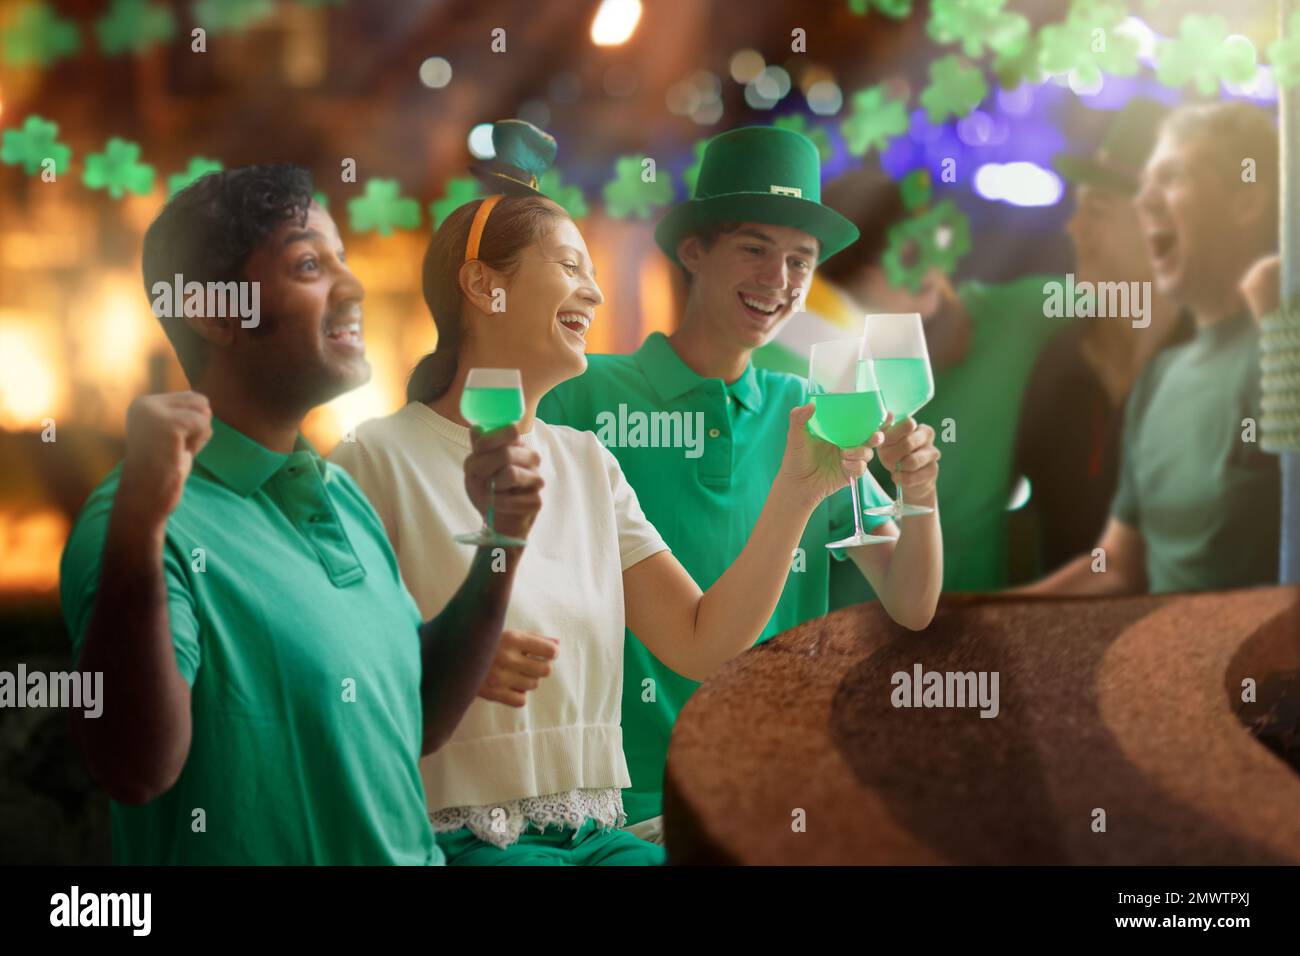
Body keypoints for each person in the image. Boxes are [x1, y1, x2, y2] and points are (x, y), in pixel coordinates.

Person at [330, 122, 900, 865]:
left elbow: (703, 643)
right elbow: (327, 669)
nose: (596, 293)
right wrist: (433, 657)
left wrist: (796, 493)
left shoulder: (588, 464)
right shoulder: (377, 457)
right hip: (452, 838)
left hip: (592, 836)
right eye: (570, 267)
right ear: (483, 286)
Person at [59, 165, 538, 864]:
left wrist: (502, 541)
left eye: (342, 260)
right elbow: (135, 769)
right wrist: (139, 528)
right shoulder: (137, 525)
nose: (353, 287)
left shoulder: (338, 494)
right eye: (310, 264)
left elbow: (418, 714)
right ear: (216, 311)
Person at [538, 126, 944, 844]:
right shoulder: (585, 395)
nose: (779, 279)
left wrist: (920, 493)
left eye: (800, 260)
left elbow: (912, 603)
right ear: (694, 250)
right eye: (754, 248)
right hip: (624, 803)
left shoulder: (814, 408)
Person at [764, 162, 1058, 605]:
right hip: (850, 619)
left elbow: (1100, 293)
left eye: (935, 244)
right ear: (845, 275)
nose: (932, 269)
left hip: (967, 616)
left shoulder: (997, 323)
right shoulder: (802, 360)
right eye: (906, 256)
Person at [1018, 102, 1281, 596]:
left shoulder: (1276, 349)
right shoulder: (1159, 375)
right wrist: (980, 619)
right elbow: (1119, 565)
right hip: (1146, 660)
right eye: (1144, 188)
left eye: (1173, 178)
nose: (1147, 203)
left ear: (1247, 203)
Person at [1012, 99, 1183, 578]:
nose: (1074, 227)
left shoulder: (1214, 364)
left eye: (1098, 210)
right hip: (1062, 641)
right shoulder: (1056, 362)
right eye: (1078, 208)